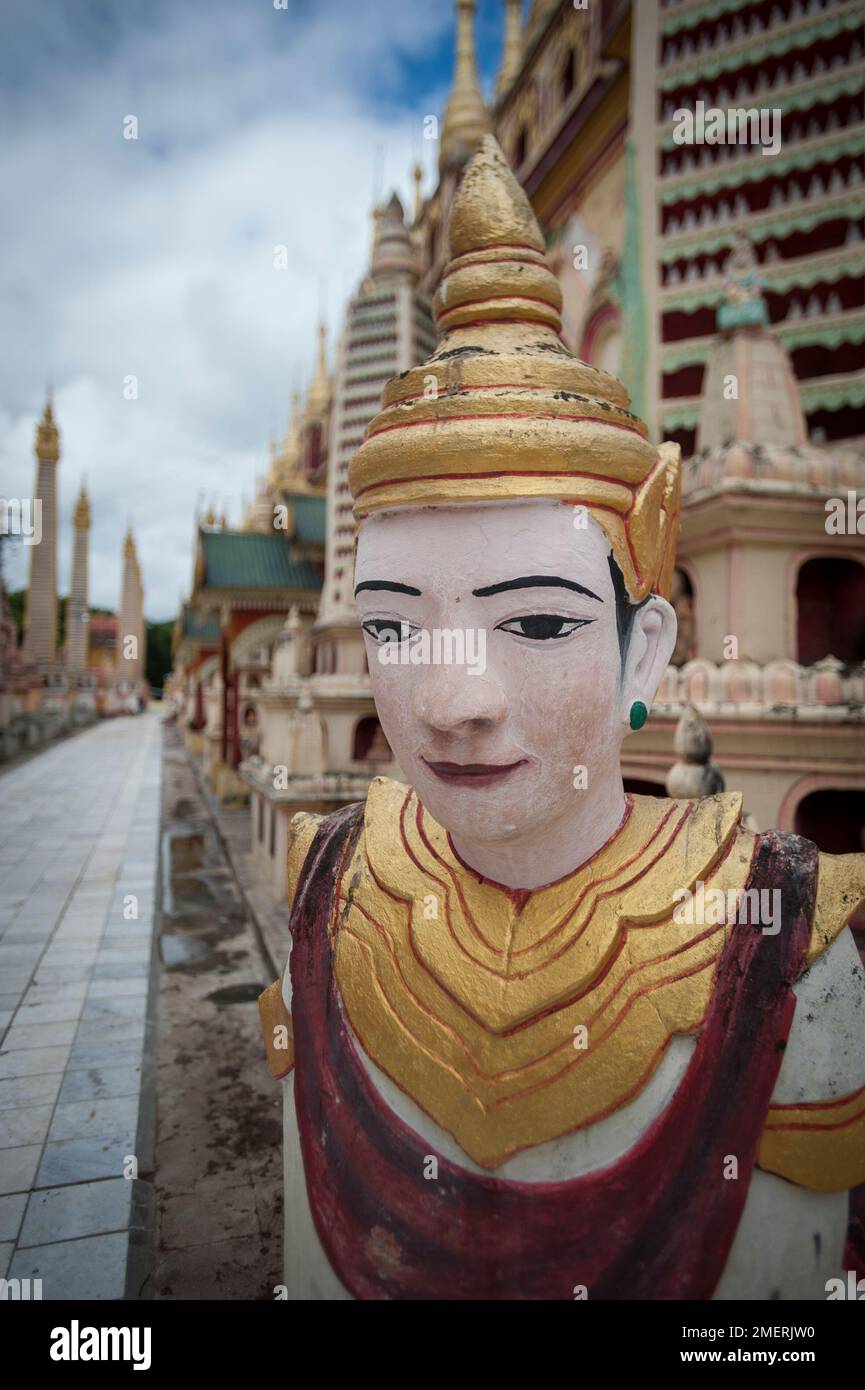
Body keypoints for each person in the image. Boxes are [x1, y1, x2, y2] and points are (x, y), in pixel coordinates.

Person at [259, 137, 865, 1300]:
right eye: (392, 629)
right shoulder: (327, 890)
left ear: (645, 647)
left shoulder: (789, 954)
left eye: (535, 624)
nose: (448, 704)